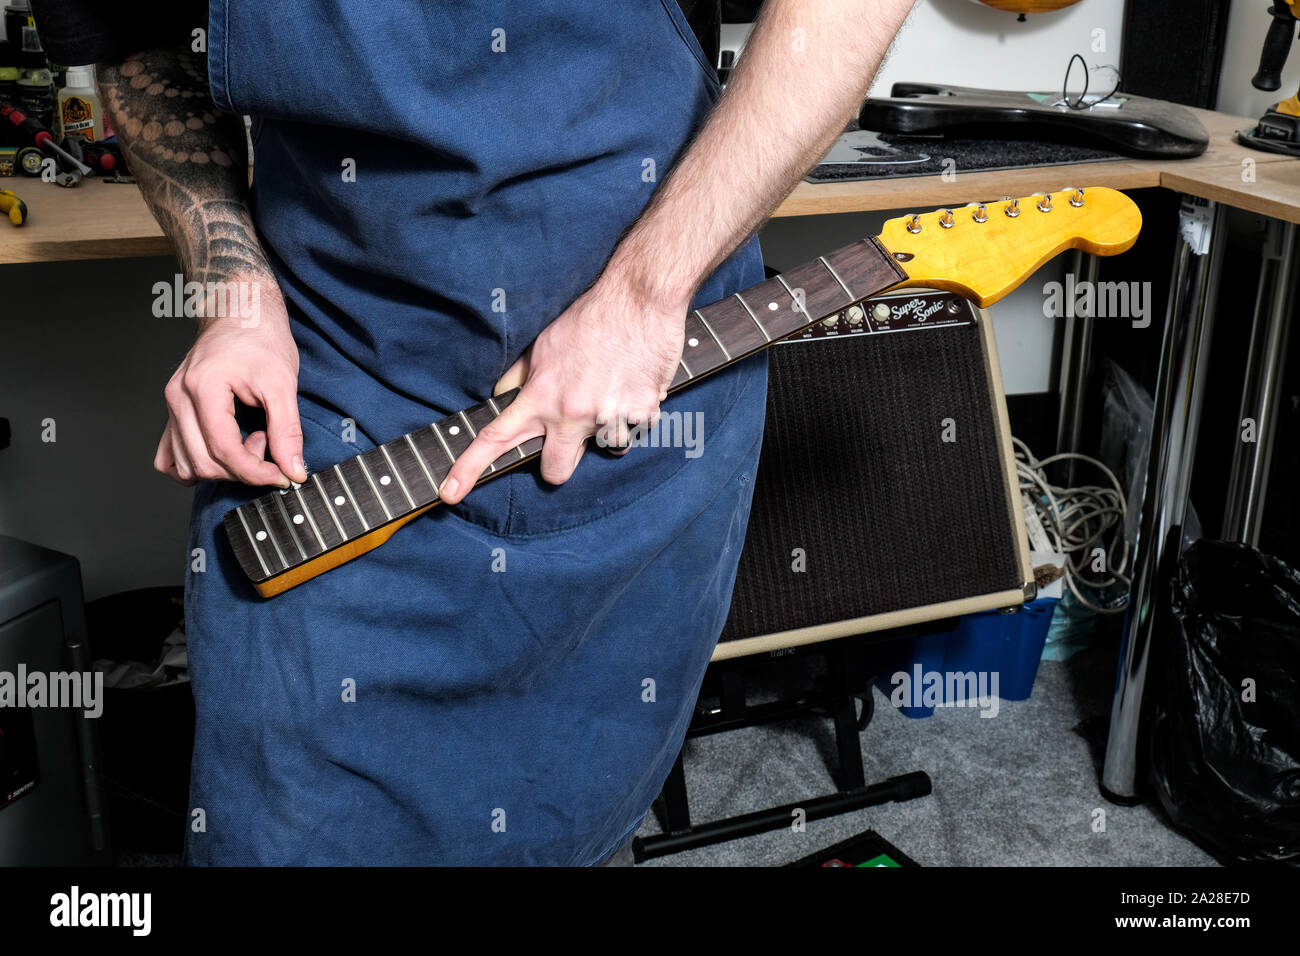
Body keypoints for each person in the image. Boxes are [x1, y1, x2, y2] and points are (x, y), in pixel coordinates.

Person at [29, 0, 914, 864]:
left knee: (557, 806)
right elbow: (139, 44)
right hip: (338, 368)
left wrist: (644, 295)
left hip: (637, 359)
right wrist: (234, 295)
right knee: (286, 816)